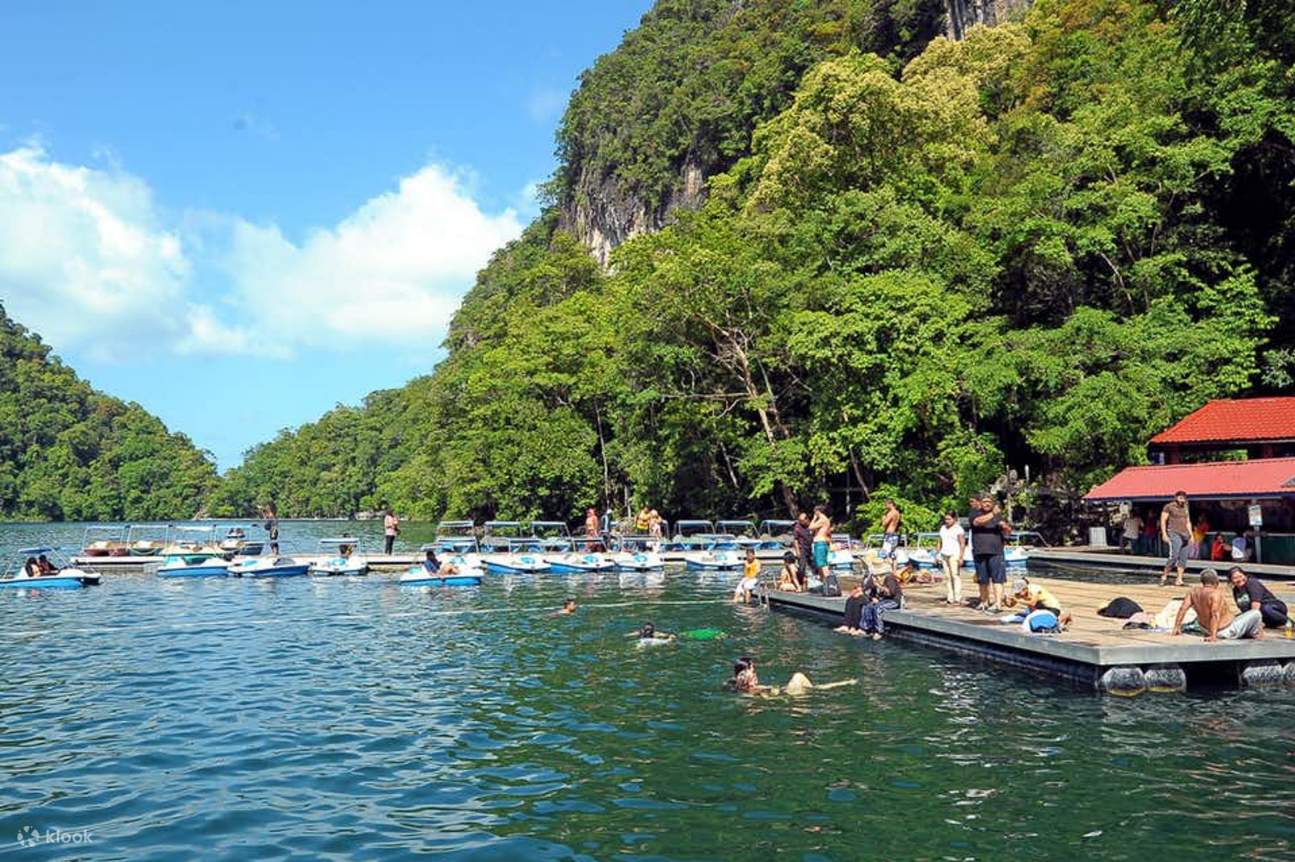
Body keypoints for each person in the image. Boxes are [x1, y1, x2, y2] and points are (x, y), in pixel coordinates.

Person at [1173, 569, 1262, 642]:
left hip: (1205, 629)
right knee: (1256, 613)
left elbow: (1183, 609)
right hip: (1224, 631)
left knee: (1240, 616)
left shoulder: (1193, 592)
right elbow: (1215, 614)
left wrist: (1176, 627)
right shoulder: (1215, 594)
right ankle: (1254, 633)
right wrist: (1213, 636)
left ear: (1202, 581)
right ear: (1216, 582)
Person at [728, 656, 855, 696]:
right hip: (787, 695)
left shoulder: (735, 684)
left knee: (812, 687)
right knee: (799, 677)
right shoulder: (754, 688)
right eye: (752, 668)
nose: (755, 671)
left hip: (781, 693)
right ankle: (845, 683)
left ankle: (844, 683)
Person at [970, 494, 1010, 613]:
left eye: (989, 502)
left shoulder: (998, 515)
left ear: (992, 503)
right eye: (984, 501)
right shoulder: (975, 513)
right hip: (979, 550)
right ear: (980, 503)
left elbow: (1007, 533)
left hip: (996, 551)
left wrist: (1006, 527)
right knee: (982, 579)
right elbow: (978, 522)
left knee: (998, 579)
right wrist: (993, 514)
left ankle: (998, 604)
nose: (987, 504)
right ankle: (984, 601)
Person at [1160, 490, 1191, 587]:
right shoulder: (1169, 506)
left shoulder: (1185, 507)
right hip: (1174, 532)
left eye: (1183, 497)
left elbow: (1188, 521)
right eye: (1180, 496)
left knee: (1183, 557)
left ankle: (1179, 579)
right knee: (1174, 555)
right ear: (1176, 497)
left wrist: (1191, 534)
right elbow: (1163, 520)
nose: (1182, 498)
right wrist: (1164, 533)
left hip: (1185, 534)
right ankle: (1164, 576)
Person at [860, 569, 903, 640]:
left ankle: (879, 631)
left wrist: (879, 586)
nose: (875, 578)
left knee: (878, 608)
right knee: (868, 606)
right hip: (884, 600)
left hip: (894, 601)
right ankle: (866, 628)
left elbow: (890, 593)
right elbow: (870, 593)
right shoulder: (876, 581)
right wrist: (873, 598)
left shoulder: (889, 579)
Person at [937, 511, 966, 605]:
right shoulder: (943, 528)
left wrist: (961, 557)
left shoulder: (958, 529)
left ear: (954, 519)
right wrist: (937, 553)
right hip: (944, 553)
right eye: (946, 519)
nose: (947, 521)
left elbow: (962, 543)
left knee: (955, 575)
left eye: (949, 519)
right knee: (947, 576)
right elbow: (940, 541)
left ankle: (957, 596)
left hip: (954, 553)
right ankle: (950, 596)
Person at [809, 505, 832, 583]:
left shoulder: (822, 519)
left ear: (818, 511)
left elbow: (810, 527)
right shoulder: (826, 520)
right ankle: (824, 583)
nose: (814, 514)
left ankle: (829, 583)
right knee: (820, 564)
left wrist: (814, 518)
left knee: (823, 564)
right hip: (820, 543)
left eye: (815, 512)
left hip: (820, 542)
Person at [880, 499, 903, 572]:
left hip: (889, 535)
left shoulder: (891, 513)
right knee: (894, 555)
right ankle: (894, 572)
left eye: (886, 504)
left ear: (890, 504)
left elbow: (884, 524)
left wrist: (883, 518)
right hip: (895, 535)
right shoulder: (897, 513)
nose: (885, 506)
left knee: (885, 554)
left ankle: (887, 571)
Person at [793, 512, 814, 590]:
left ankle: (815, 580)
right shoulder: (797, 527)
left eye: (802, 521)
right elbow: (795, 540)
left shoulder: (811, 525)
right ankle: (801, 583)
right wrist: (797, 551)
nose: (801, 522)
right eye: (800, 521)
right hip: (802, 549)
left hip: (811, 548)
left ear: (806, 519)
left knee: (814, 565)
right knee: (802, 567)